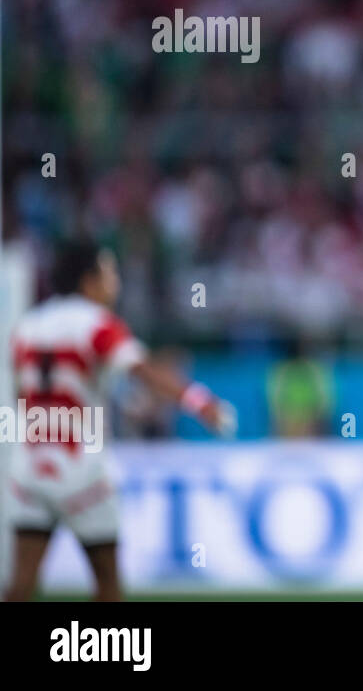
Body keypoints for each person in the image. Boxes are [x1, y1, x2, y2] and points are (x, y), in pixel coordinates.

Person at [4, 240, 235, 601]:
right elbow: (142, 369)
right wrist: (199, 402)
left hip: (30, 466)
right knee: (108, 585)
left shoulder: (27, 326)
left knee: (20, 585)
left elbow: (21, 394)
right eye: (109, 273)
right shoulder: (97, 324)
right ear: (87, 281)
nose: (116, 283)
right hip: (81, 467)